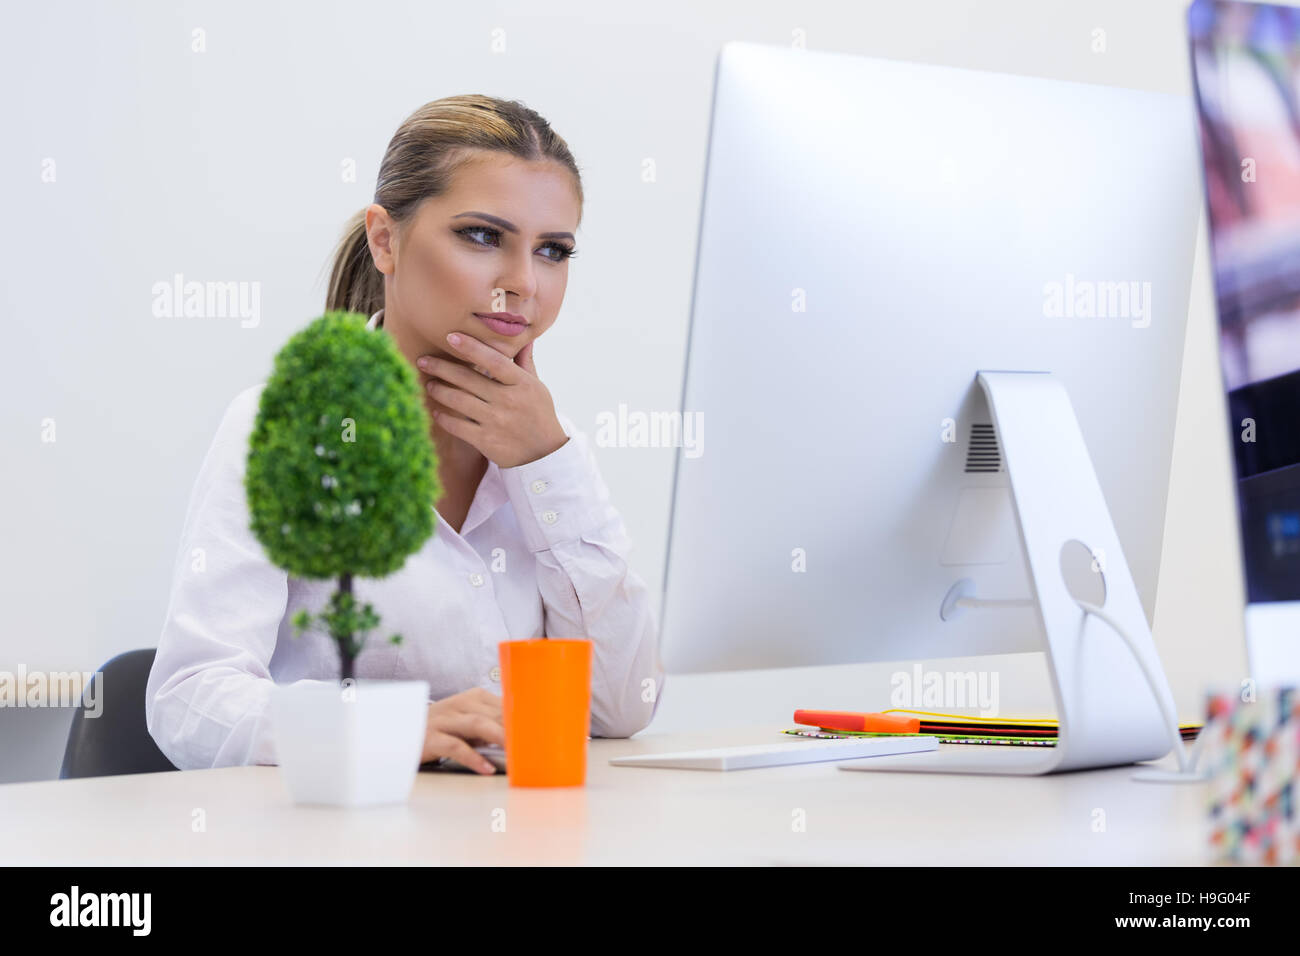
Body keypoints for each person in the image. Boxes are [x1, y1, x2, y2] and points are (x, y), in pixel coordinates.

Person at [146, 95, 664, 774]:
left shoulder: (552, 449)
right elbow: (189, 699)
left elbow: (621, 709)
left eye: (553, 250)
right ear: (385, 240)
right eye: (482, 236)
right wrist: (383, 732)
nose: (522, 284)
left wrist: (548, 467)